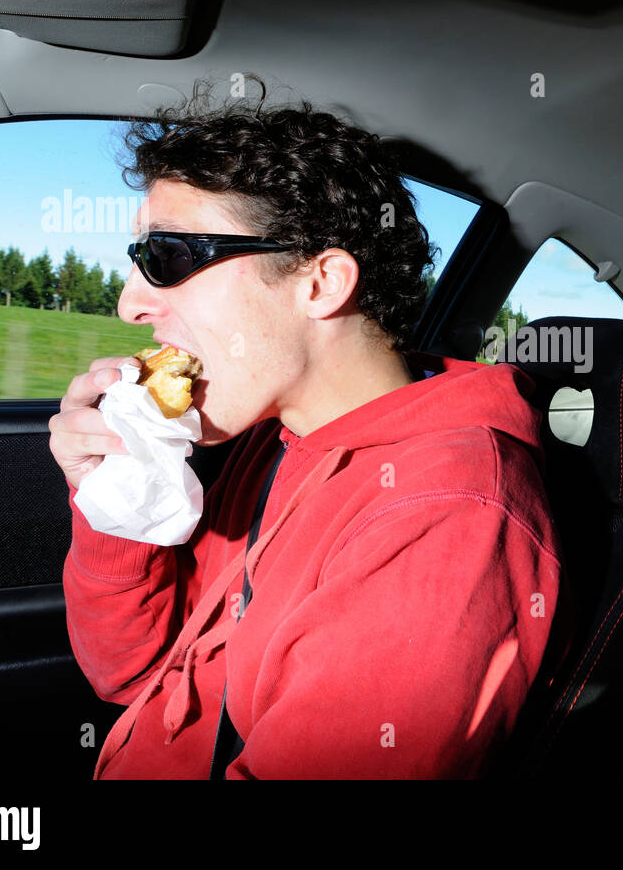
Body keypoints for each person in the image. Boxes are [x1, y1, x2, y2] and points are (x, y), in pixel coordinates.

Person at [48, 81, 564, 778]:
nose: (129, 303)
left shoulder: (446, 514)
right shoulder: (274, 437)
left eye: (167, 258)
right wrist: (114, 497)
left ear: (319, 283)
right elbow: (130, 674)